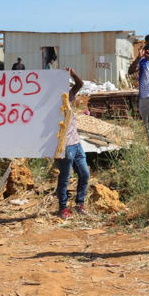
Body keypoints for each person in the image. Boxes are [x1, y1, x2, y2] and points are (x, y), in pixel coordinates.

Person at [56, 68, 89, 219]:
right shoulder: (51, 102)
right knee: (65, 177)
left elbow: (80, 84)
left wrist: (73, 74)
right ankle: (63, 207)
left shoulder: (67, 95)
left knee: (84, 173)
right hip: (65, 145)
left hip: (76, 143)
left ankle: (79, 203)